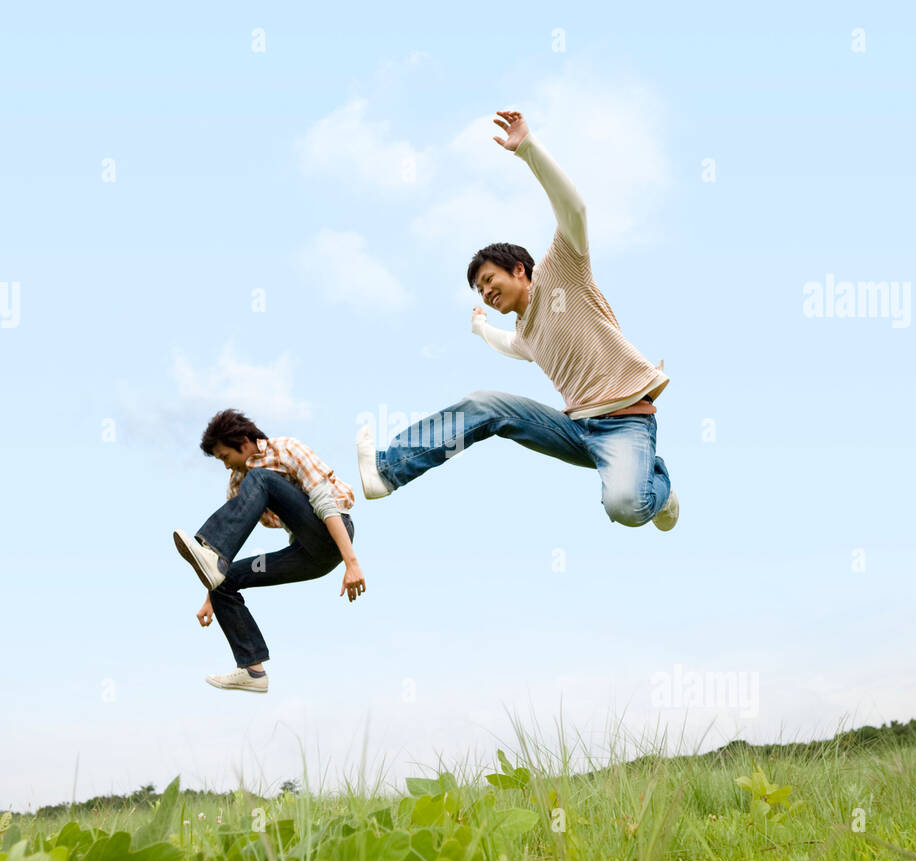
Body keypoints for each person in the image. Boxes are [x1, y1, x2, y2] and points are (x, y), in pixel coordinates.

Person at [356, 109, 678, 532]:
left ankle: (660, 487)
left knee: (624, 506)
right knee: (486, 404)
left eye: (490, 280)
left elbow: (575, 209)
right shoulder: (526, 334)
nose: (487, 293)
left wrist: (528, 149)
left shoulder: (563, 272)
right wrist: (479, 328)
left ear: (519, 270)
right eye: (481, 291)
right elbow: (504, 344)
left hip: (625, 423)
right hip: (575, 429)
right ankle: (388, 471)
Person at [174, 409, 365, 693]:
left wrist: (352, 563)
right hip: (306, 554)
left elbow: (325, 502)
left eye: (225, 457)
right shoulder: (239, 483)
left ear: (243, 440)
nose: (226, 467)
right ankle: (252, 670)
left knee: (261, 477)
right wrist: (210, 591)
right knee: (224, 582)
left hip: (331, 533)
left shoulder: (287, 449)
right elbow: (234, 533)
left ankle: (211, 553)